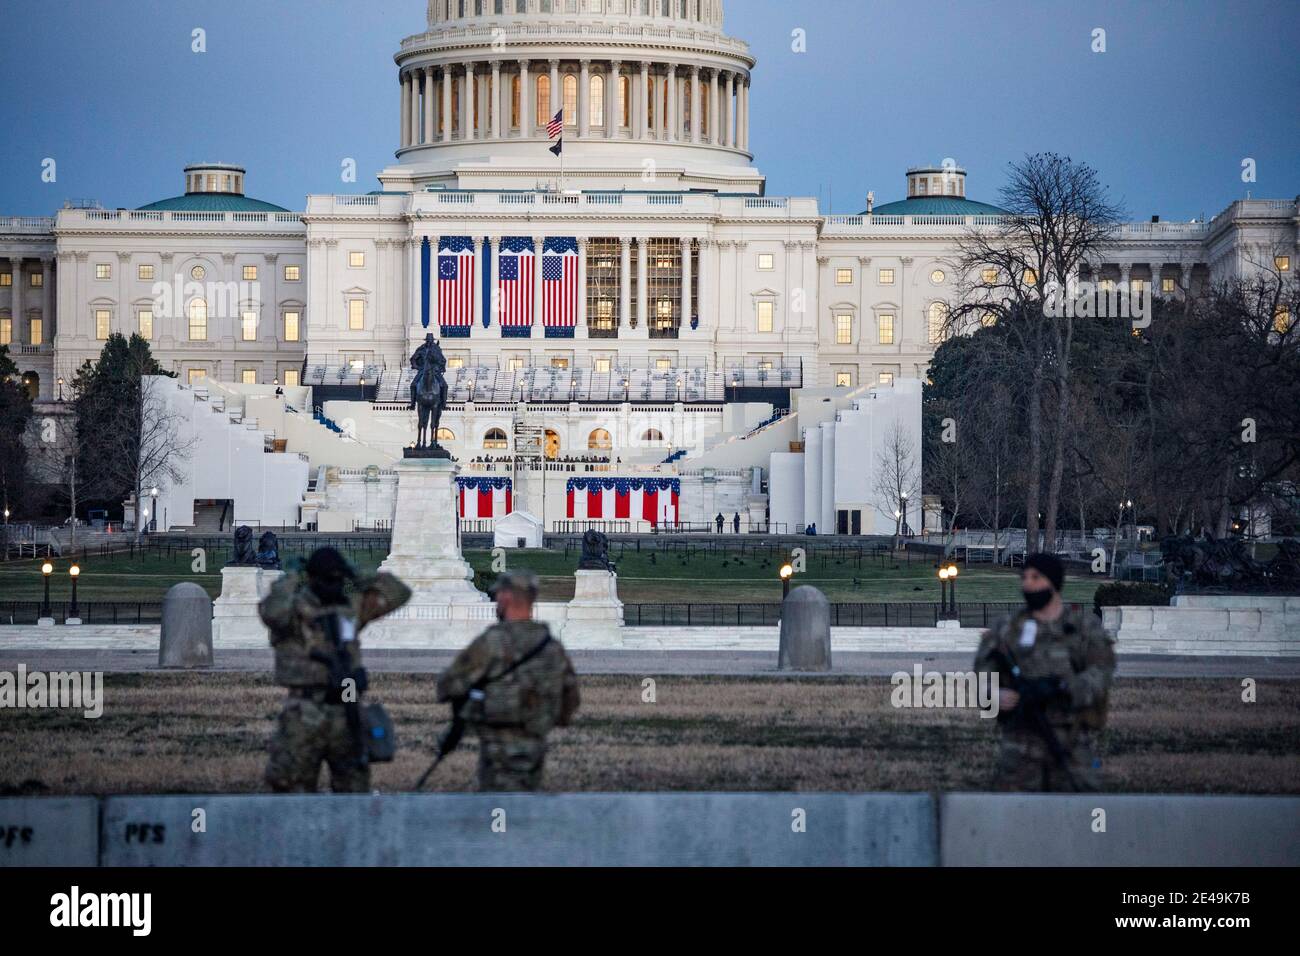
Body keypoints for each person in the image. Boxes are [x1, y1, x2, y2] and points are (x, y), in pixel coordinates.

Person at [259, 547, 411, 792]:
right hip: (305, 711)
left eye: (337, 579)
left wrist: (356, 572)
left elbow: (399, 592)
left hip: (346, 709)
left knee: (353, 789)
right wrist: (291, 577)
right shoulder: (294, 612)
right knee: (290, 788)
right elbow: (271, 612)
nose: (333, 584)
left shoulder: (349, 610)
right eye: (327, 578)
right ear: (312, 579)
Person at [973, 553, 1116, 792]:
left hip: (1069, 737)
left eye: (1036, 577)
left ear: (1053, 582)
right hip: (1019, 741)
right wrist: (993, 695)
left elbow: (1102, 672)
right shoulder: (1007, 628)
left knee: (1080, 808)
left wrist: (1063, 688)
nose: (1027, 583)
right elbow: (983, 675)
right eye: (1024, 577)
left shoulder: (1082, 628)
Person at [435, 570, 580, 791]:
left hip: (497, 752)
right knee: (525, 810)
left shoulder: (492, 643)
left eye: (497, 596)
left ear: (506, 597)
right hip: (535, 749)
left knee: (498, 807)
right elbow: (570, 701)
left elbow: (447, 686)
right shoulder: (551, 648)